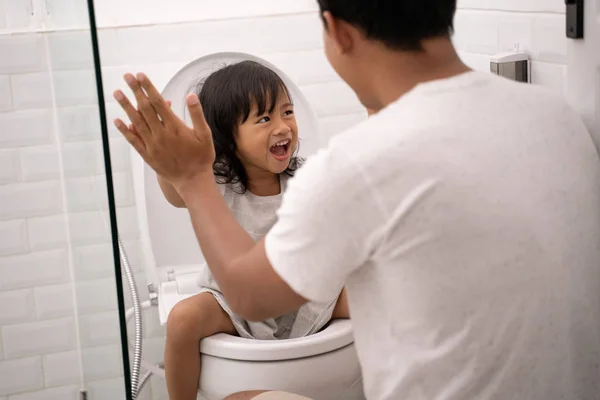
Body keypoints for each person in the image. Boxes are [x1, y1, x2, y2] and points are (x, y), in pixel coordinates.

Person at [114, 0, 600, 399]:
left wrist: (193, 176)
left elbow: (249, 294)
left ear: (337, 31)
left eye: (284, 112)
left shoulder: (359, 165)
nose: (282, 125)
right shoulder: (558, 117)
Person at [115, 61, 348, 400]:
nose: (284, 126)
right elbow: (176, 192)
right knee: (183, 319)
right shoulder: (213, 183)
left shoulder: (310, 175)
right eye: (264, 119)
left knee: (380, 294)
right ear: (226, 138)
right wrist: (170, 164)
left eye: (287, 112)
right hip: (234, 303)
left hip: (310, 295)